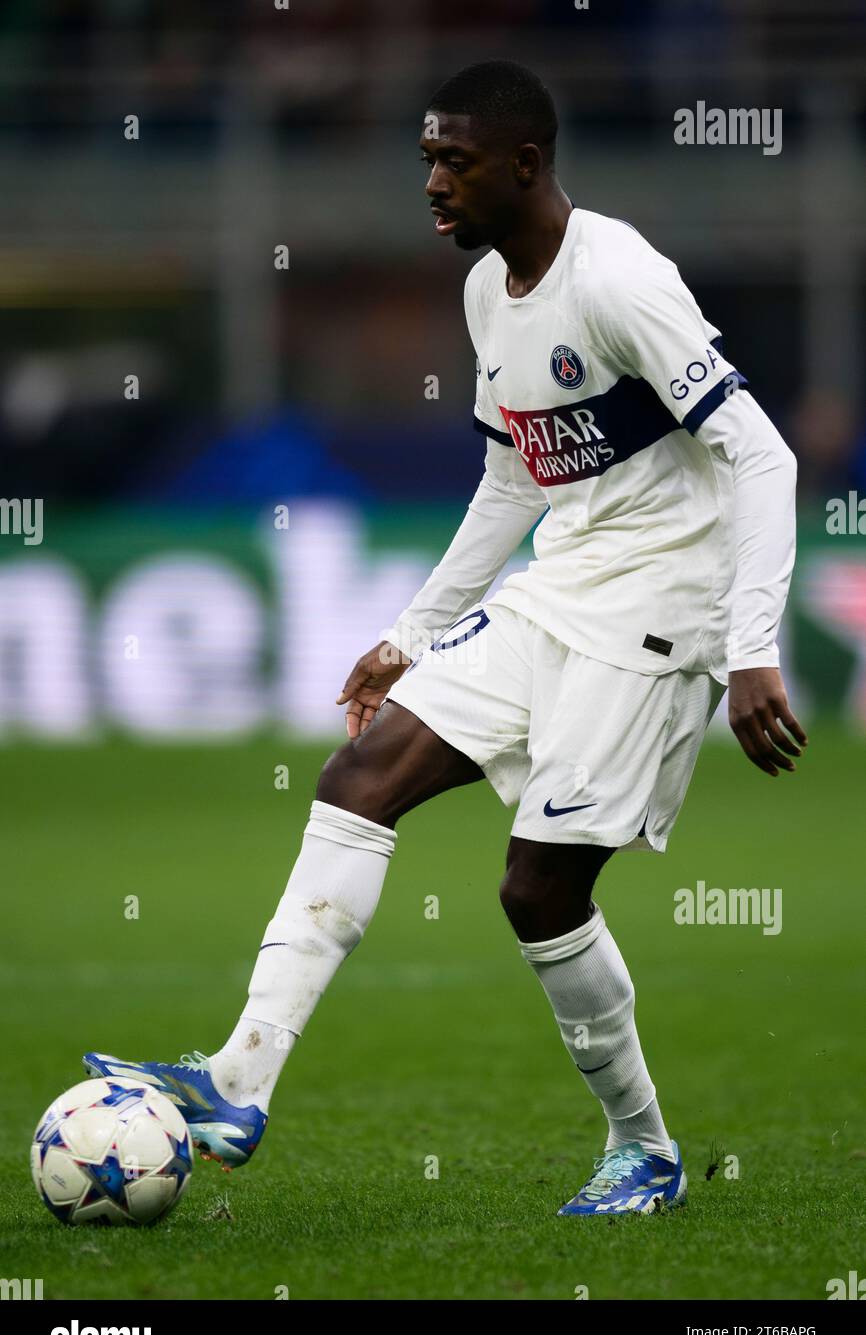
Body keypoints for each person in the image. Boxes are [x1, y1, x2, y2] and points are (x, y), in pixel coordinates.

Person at [85, 60, 805, 1216]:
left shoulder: (618, 277)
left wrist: (752, 645)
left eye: (451, 160)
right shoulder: (485, 292)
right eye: (425, 157)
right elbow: (511, 476)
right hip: (558, 586)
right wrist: (409, 633)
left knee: (536, 891)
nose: (430, 181)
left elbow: (759, 456)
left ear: (523, 164)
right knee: (358, 775)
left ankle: (644, 1150)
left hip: (660, 612)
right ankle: (234, 1082)